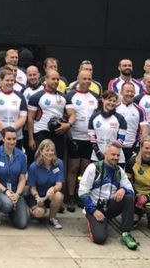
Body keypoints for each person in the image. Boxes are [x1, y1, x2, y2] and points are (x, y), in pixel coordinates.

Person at [78, 142, 139, 249]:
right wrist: (94, 211)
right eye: (113, 154)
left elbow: (131, 190)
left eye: (118, 155)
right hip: (95, 207)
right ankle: (92, 220)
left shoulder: (119, 171)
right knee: (100, 239)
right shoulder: (93, 168)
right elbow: (82, 192)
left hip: (110, 205)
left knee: (129, 197)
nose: (115, 158)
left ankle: (126, 233)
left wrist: (123, 189)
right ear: (105, 154)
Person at [64, 70, 100, 212]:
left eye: (89, 79)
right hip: (75, 137)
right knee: (73, 168)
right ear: (78, 78)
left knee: (85, 169)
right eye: (84, 78)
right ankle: (71, 197)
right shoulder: (70, 96)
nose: (86, 81)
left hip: (89, 139)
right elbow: (67, 116)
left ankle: (82, 195)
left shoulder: (96, 97)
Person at [0, 127, 29, 229]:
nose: (12, 141)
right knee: (7, 204)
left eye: (14, 139)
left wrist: (17, 194)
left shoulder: (21, 155)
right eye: (9, 139)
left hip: (15, 191)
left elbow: (22, 178)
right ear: (3, 139)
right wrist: (6, 191)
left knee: (22, 224)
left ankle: (10, 211)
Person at [125, 137, 150, 230]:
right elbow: (127, 182)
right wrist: (137, 194)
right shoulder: (132, 162)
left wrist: (147, 197)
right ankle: (137, 213)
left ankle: (149, 215)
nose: (149, 151)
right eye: (146, 148)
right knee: (131, 222)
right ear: (141, 148)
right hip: (136, 192)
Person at [0, 68, 28, 150]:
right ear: (1, 81)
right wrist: (4, 130)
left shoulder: (20, 96)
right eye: (7, 80)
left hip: (15, 138)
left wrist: (11, 130)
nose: (10, 82)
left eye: (12, 80)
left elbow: (23, 117)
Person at [27, 139, 65, 229]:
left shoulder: (59, 163)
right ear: (41, 151)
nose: (50, 153)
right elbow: (32, 187)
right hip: (37, 196)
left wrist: (52, 189)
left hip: (50, 195)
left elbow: (59, 185)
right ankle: (31, 211)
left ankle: (52, 218)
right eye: (47, 150)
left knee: (59, 195)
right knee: (39, 213)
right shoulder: (34, 167)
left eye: (52, 150)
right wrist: (37, 197)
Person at [88, 90, 127, 164]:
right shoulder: (94, 117)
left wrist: (111, 154)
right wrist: (98, 152)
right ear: (103, 100)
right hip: (97, 157)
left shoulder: (120, 118)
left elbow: (121, 139)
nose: (111, 103)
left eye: (114, 101)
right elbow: (91, 137)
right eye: (109, 100)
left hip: (116, 157)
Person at [116, 83, 147, 161]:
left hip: (133, 148)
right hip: (116, 147)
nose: (130, 94)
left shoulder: (140, 110)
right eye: (127, 91)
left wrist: (140, 151)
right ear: (121, 92)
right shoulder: (115, 108)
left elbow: (145, 131)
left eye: (132, 92)